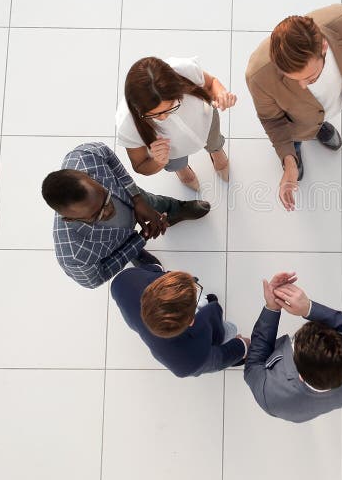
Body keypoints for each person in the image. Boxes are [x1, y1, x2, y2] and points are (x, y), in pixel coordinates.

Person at [246, 5, 342, 211]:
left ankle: (319, 126)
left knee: (319, 116)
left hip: (332, 103)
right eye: (295, 80)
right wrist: (288, 161)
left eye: (311, 78)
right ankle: (296, 151)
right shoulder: (258, 76)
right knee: (296, 138)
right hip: (296, 123)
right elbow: (272, 120)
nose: (303, 87)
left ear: (323, 47)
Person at [42, 142, 210, 289]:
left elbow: (108, 155)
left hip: (133, 198)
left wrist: (137, 199)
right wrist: (139, 240)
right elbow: (96, 278)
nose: (109, 210)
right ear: (70, 219)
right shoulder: (73, 256)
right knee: (129, 250)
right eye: (96, 214)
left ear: (89, 176)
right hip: (119, 244)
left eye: (105, 197)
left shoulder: (84, 156)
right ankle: (137, 253)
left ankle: (175, 210)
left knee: (154, 202)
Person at [243, 272, 342, 423]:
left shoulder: (271, 397)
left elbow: (253, 365)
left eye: (293, 343)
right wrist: (308, 308)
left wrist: (272, 308)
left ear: (300, 376)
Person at [117, 56, 237, 190]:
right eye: (153, 114)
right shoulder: (127, 124)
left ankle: (217, 154)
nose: (163, 118)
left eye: (171, 107)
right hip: (172, 151)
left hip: (204, 121)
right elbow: (139, 166)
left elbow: (211, 83)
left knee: (214, 141)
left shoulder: (183, 70)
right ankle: (182, 170)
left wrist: (221, 94)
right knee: (176, 163)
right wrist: (158, 162)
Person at [110, 265, 249, 377]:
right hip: (200, 347)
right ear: (191, 321)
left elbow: (155, 268)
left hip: (139, 321)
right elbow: (218, 359)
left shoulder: (123, 281)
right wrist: (242, 346)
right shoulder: (187, 361)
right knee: (230, 330)